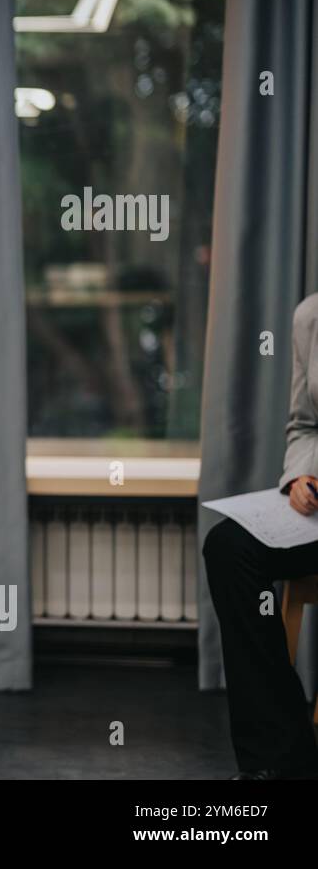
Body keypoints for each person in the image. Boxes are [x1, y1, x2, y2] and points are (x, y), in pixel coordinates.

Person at [204, 293, 318, 779]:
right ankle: (280, 757)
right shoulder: (311, 316)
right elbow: (305, 426)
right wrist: (299, 479)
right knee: (228, 548)